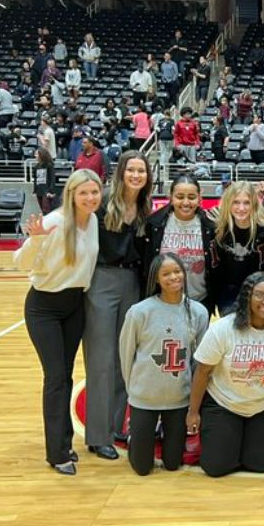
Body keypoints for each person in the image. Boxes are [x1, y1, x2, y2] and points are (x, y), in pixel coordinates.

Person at [14, 169, 103, 475]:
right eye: (84, 193)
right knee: (55, 378)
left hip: (74, 305)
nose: (90, 198)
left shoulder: (93, 221)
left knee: (65, 375)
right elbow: (21, 263)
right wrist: (35, 240)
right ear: (71, 195)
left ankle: (64, 441)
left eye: (94, 192)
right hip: (44, 308)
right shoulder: (54, 221)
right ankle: (57, 453)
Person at [81, 151, 152, 458]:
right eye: (131, 170)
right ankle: (98, 436)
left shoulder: (145, 207)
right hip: (102, 280)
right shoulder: (103, 201)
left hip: (132, 282)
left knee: (124, 358)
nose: (136, 175)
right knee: (101, 359)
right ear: (121, 172)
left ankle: (115, 426)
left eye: (141, 171)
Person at [188, 272, 264, 476]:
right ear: (247, 296)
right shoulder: (223, 329)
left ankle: (246, 439)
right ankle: (226, 438)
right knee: (216, 466)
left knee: (259, 464)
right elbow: (202, 371)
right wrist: (193, 412)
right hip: (224, 403)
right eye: (259, 295)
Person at [120, 253, 210, 475]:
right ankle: (136, 435)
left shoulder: (198, 312)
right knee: (142, 468)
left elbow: (200, 360)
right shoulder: (139, 312)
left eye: (177, 271)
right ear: (157, 279)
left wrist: (192, 400)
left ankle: (161, 434)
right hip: (145, 398)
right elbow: (126, 354)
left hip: (178, 399)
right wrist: (133, 391)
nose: (173, 277)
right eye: (166, 274)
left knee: (172, 464)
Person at [144, 174, 218, 314]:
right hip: (161, 301)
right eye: (180, 197)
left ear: (199, 198)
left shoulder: (211, 227)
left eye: (191, 197)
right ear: (171, 198)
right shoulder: (154, 224)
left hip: (200, 301)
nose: (185, 202)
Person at [212, 181, 264, 315]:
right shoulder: (219, 228)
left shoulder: (263, 230)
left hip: (256, 290)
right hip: (227, 291)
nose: (241, 208)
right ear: (228, 203)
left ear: (254, 204)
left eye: (246, 203)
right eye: (236, 202)